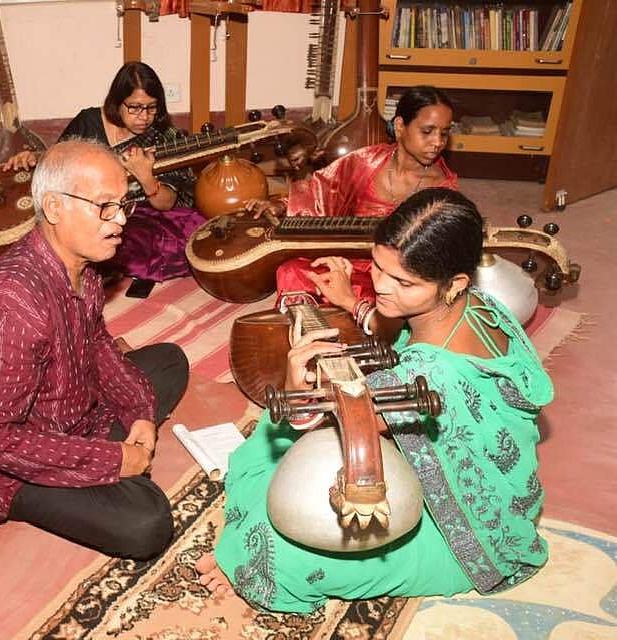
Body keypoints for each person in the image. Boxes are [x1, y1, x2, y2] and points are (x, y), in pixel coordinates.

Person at [196, 188, 552, 612]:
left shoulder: (428, 376)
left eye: (403, 282)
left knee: (270, 540)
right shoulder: (481, 306)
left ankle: (243, 558)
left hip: (469, 540)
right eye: (379, 266)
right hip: (510, 495)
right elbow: (401, 341)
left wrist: (296, 381)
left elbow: (341, 424)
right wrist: (350, 301)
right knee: (267, 452)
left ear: (454, 283)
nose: (380, 286)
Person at [0, 140, 190, 560]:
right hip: (7, 461)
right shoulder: (9, 307)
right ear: (54, 208)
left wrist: (141, 415)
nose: (121, 220)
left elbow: (98, 347)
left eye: (123, 204)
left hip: (72, 413)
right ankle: (92, 475)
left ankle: (101, 464)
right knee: (147, 524)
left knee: (169, 361)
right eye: (105, 206)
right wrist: (115, 460)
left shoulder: (83, 268)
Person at [247, 86, 457, 304]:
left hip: (394, 278)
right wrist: (282, 205)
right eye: (427, 131)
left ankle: (353, 316)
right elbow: (323, 190)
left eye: (444, 133)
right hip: (344, 260)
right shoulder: (368, 161)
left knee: (402, 298)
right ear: (400, 126)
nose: (437, 142)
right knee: (291, 270)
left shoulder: (442, 189)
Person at [4, 62, 204, 283]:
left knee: (139, 244)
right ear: (117, 103)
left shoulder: (163, 136)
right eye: (135, 107)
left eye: (151, 107)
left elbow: (166, 203)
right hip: (85, 210)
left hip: (134, 213)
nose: (144, 116)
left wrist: (145, 176)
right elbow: (62, 160)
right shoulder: (89, 122)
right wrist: (36, 156)